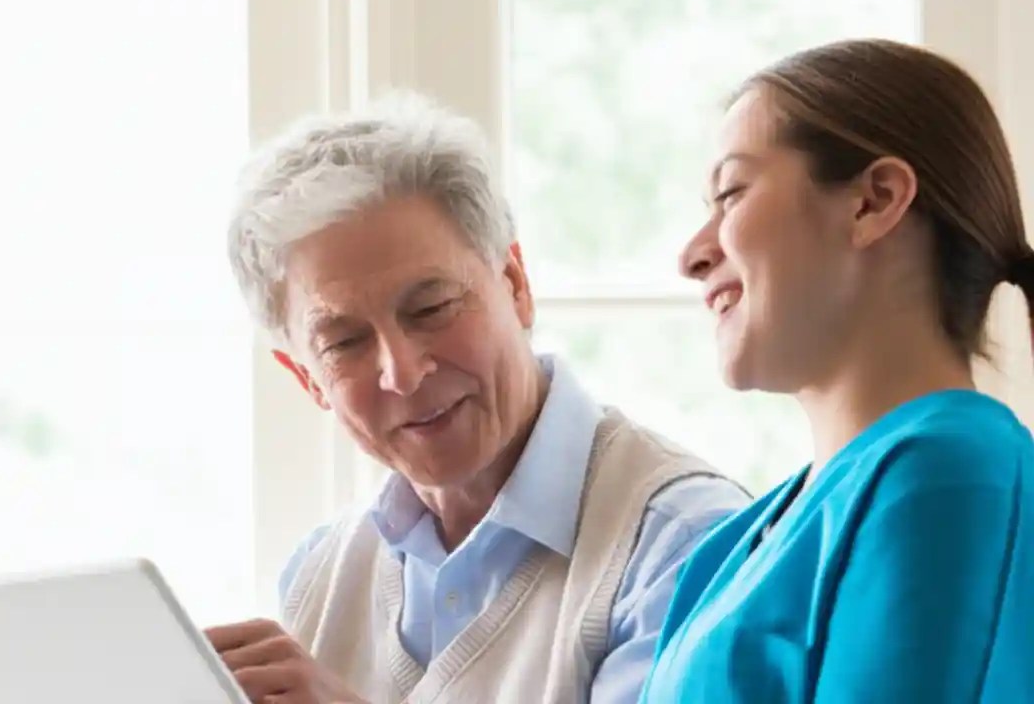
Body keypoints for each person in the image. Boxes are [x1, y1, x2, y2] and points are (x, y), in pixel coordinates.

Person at [207, 98, 749, 704]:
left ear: (515, 284)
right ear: (306, 379)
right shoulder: (320, 575)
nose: (403, 373)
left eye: (432, 308)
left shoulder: (687, 544)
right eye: (345, 342)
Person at [642, 39, 1034, 703]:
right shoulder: (731, 546)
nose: (692, 255)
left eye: (731, 194)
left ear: (874, 201)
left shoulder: (950, 470)